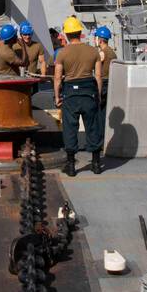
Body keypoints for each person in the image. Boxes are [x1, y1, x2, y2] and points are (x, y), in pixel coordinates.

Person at [54, 16, 103, 177]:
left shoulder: (62, 53)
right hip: (89, 90)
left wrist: (57, 97)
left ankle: (71, 166)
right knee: (93, 127)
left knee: (70, 128)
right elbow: (98, 76)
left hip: (70, 93)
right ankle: (96, 164)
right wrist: (99, 96)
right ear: (80, 32)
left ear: (67, 34)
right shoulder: (93, 51)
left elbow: (57, 78)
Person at [94, 26, 117, 103]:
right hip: (111, 83)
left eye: (95, 38)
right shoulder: (112, 52)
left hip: (103, 84)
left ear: (99, 40)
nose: (94, 40)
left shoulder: (102, 53)